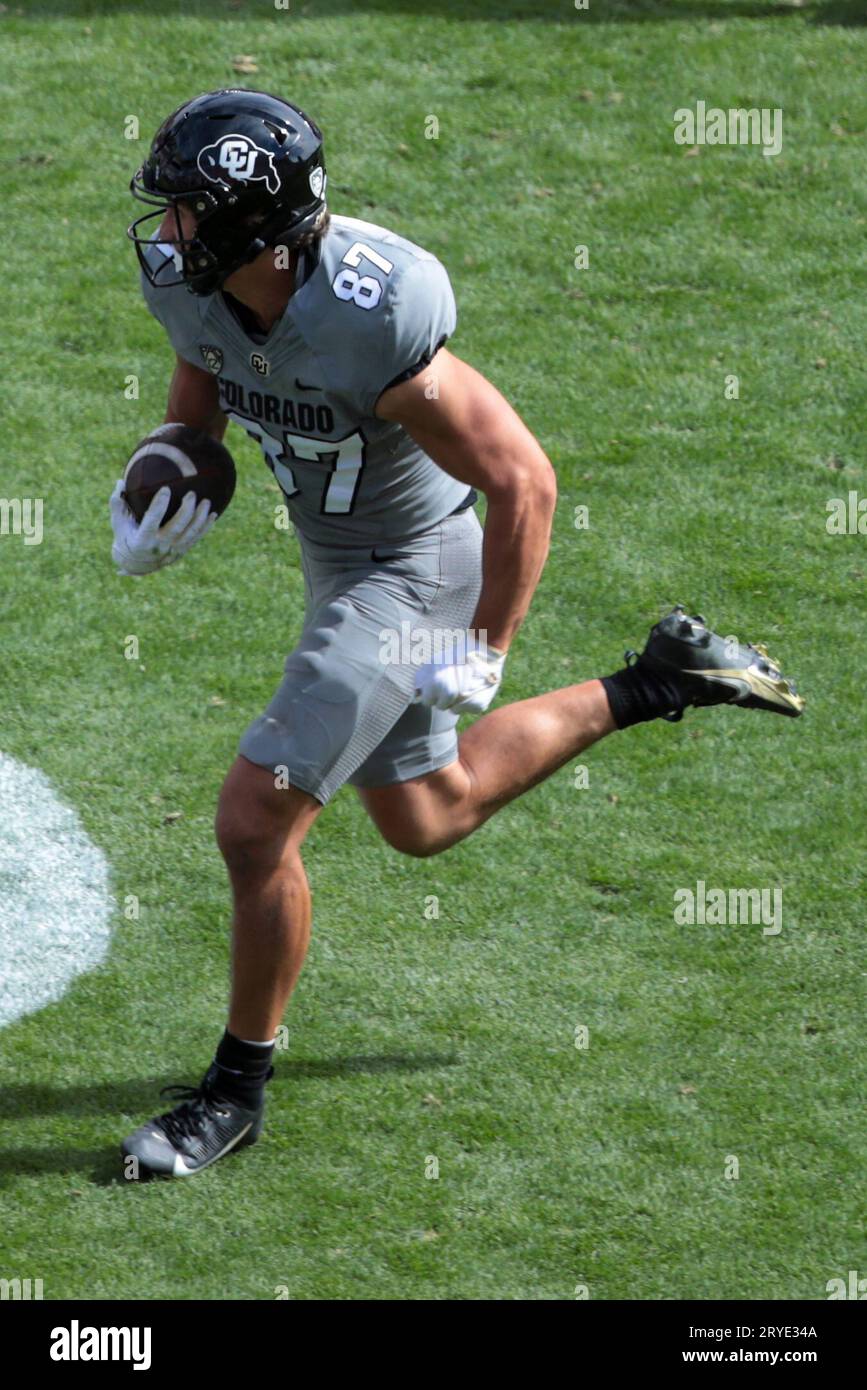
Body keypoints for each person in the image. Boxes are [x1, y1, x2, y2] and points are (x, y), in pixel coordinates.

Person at [114, 89, 803, 1178]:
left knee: (255, 824)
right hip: (336, 558)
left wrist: (484, 645)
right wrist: (170, 454)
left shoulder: (372, 310)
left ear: (255, 228)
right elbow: (208, 357)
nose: (167, 232)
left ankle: (235, 1090)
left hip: (413, 568)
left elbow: (523, 477)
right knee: (427, 817)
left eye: (191, 213)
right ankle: (660, 677)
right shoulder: (197, 280)